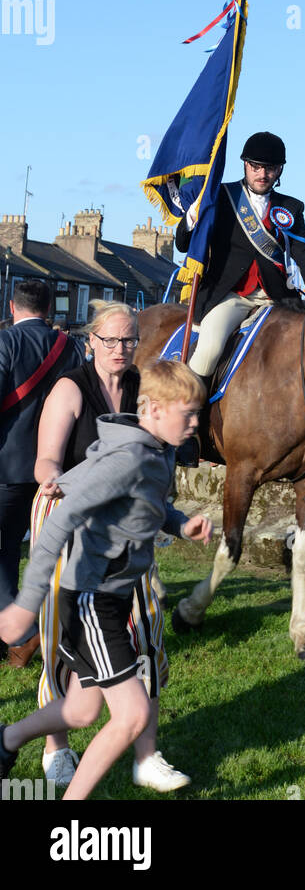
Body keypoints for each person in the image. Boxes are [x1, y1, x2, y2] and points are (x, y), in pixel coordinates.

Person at [0, 359, 214, 800]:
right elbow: (61, 522)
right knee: (132, 716)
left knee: (82, 710)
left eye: (197, 413)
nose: (196, 424)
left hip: (109, 599)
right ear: (152, 409)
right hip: (92, 601)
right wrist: (26, 602)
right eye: (187, 414)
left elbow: (145, 503)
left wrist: (178, 523)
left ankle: (6, 739)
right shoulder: (130, 456)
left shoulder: (158, 447)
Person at [31, 300, 190, 792]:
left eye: (129, 341)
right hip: (70, 521)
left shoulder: (144, 389)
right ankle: (54, 747)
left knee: (146, 629)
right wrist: (58, 483)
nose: (121, 349)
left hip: (130, 528)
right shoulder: (70, 388)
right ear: (90, 343)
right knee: (64, 642)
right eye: (111, 341)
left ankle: (147, 753)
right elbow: (46, 462)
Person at [176, 130, 305, 384]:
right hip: (231, 295)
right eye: (255, 166)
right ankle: (192, 416)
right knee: (208, 352)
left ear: (279, 171)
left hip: (278, 297)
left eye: (270, 168)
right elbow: (183, 244)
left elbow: (303, 249)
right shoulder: (221, 196)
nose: (262, 174)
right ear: (245, 164)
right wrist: (191, 216)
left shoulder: (292, 207)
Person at [0, 279, 81, 667]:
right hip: (57, 469)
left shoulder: (5, 343)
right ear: (50, 308)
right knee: (42, 553)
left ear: (13, 308)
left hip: (8, 468)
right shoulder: (71, 347)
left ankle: (26, 633)